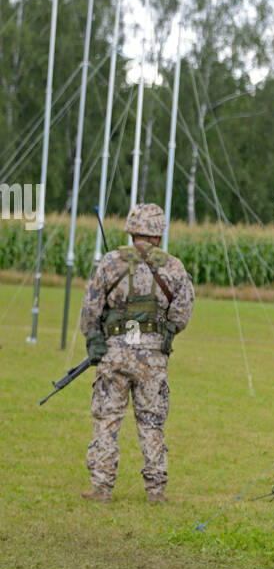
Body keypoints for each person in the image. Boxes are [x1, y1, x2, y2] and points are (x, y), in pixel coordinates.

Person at [78, 203, 194, 504]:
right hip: (153, 358)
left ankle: (101, 488)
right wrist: (165, 332)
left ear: (131, 231)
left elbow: (91, 307)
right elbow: (182, 313)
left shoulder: (111, 262)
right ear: (158, 233)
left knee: (107, 419)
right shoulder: (173, 267)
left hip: (115, 355)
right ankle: (156, 491)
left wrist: (93, 337)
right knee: (152, 422)